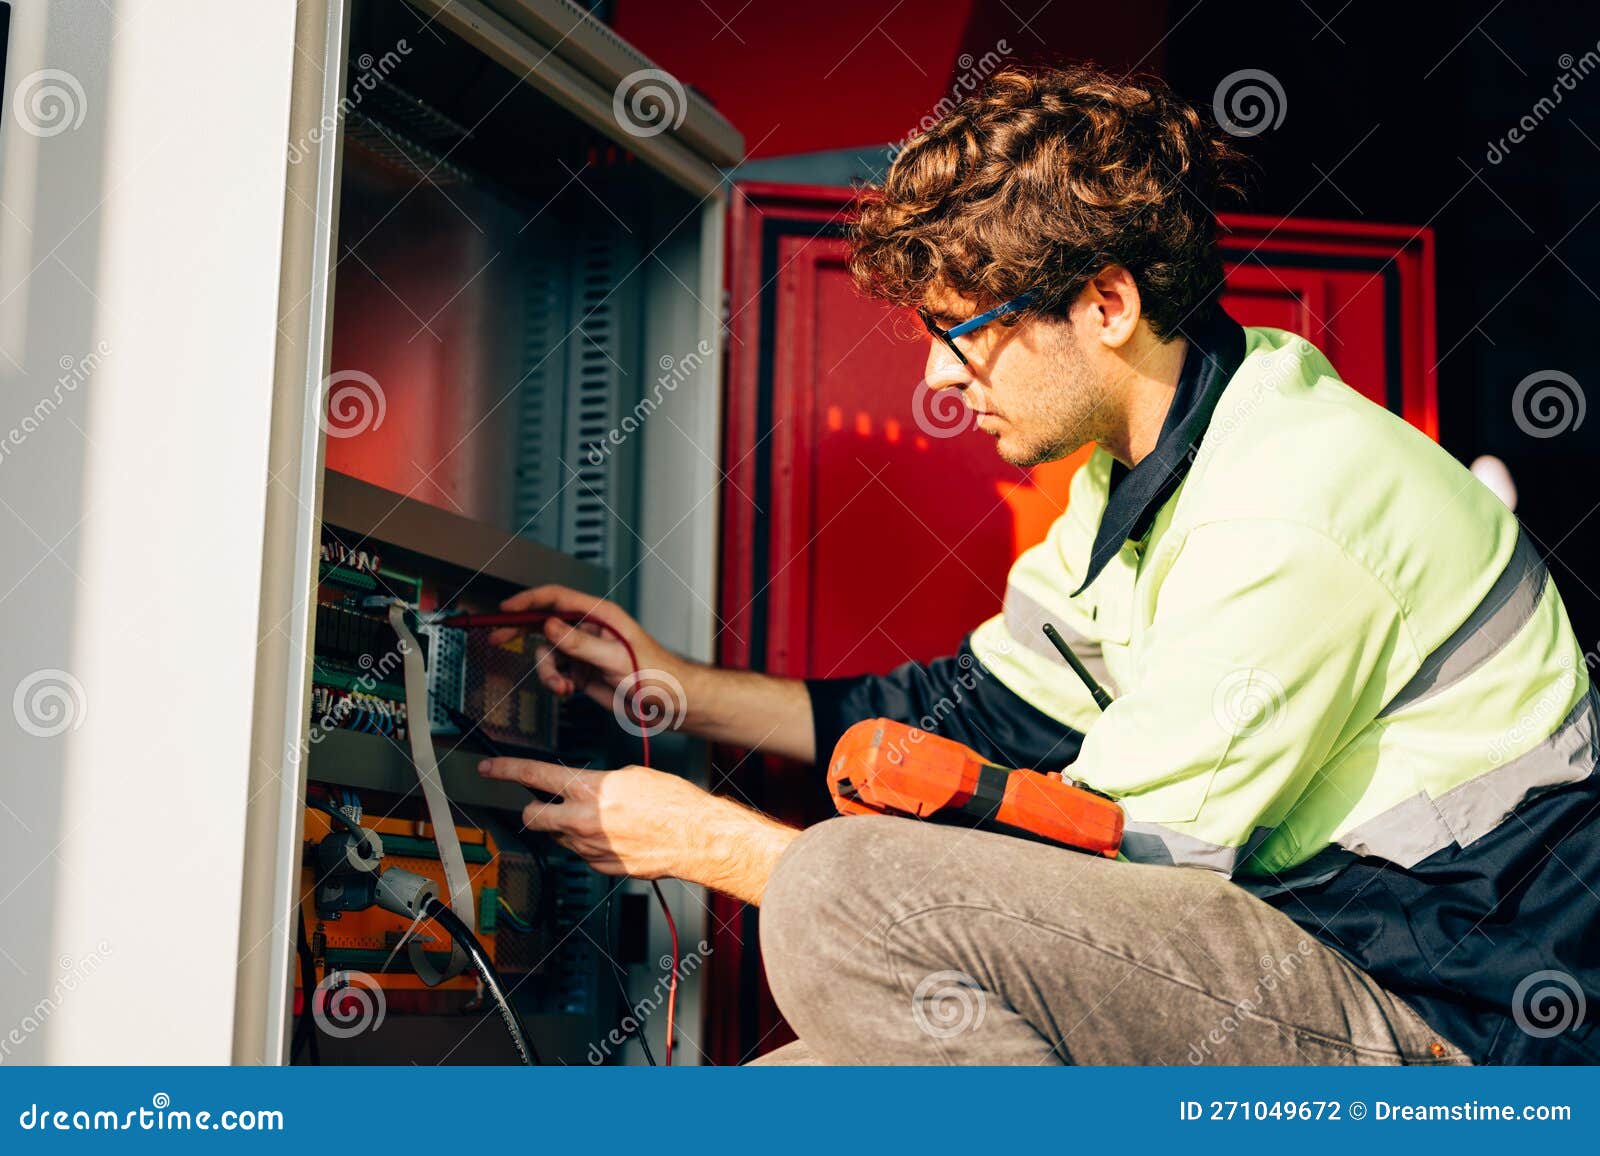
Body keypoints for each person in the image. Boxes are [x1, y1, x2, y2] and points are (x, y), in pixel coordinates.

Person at [477, 64, 1598, 1065]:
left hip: (1452, 1033)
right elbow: (984, 711)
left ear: (1106, 304)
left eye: (963, 329)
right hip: (1317, 968)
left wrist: (714, 842)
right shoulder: (1167, 454)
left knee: (834, 887)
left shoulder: (1286, 510)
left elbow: (1109, 873)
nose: (939, 374)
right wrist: (672, 687)